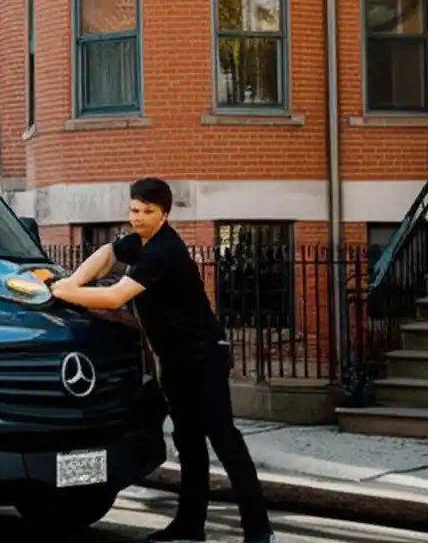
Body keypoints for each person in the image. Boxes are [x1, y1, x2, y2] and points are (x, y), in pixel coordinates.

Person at [49, 178, 275, 543]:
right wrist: (74, 280)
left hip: (205, 357)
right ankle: (189, 525)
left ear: (164, 214)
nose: (138, 218)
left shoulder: (164, 251)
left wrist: (66, 292)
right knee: (188, 443)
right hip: (174, 362)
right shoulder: (139, 242)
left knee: (224, 440)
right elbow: (108, 253)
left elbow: (116, 297)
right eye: (133, 210)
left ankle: (259, 530)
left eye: (147, 212)